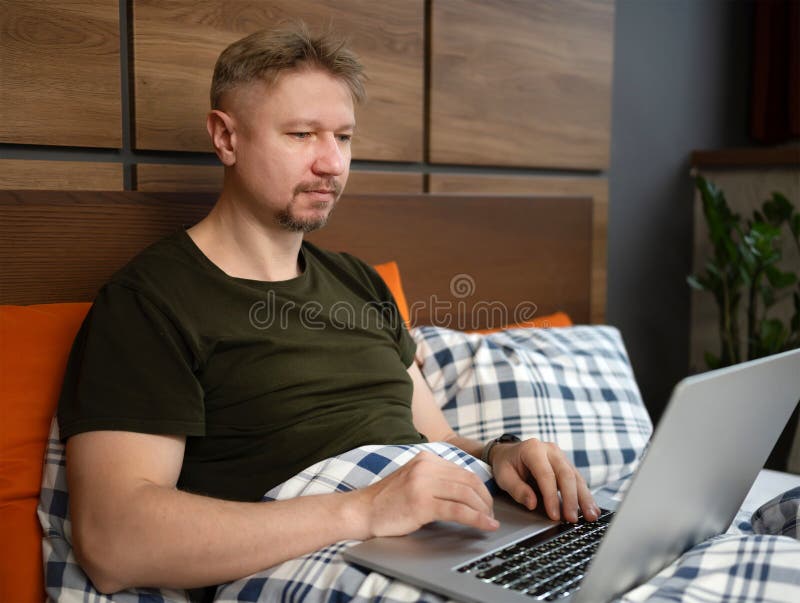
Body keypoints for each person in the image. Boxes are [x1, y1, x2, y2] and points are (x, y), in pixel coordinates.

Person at [58, 24, 599, 595]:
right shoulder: (151, 301)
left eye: (342, 137)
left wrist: (500, 454)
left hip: (440, 542)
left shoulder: (357, 281)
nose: (332, 164)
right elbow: (114, 543)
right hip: (321, 558)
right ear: (226, 137)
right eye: (301, 134)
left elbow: (435, 438)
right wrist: (363, 511)